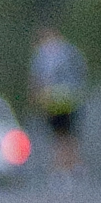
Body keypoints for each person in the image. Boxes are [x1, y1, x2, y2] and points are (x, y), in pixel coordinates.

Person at [29, 25, 90, 178]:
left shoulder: (46, 54)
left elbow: (38, 79)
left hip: (59, 100)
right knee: (66, 135)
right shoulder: (69, 51)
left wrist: (37, 96)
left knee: (61, 136)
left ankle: (65, 167)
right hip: (64, 100)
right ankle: (68, 167)